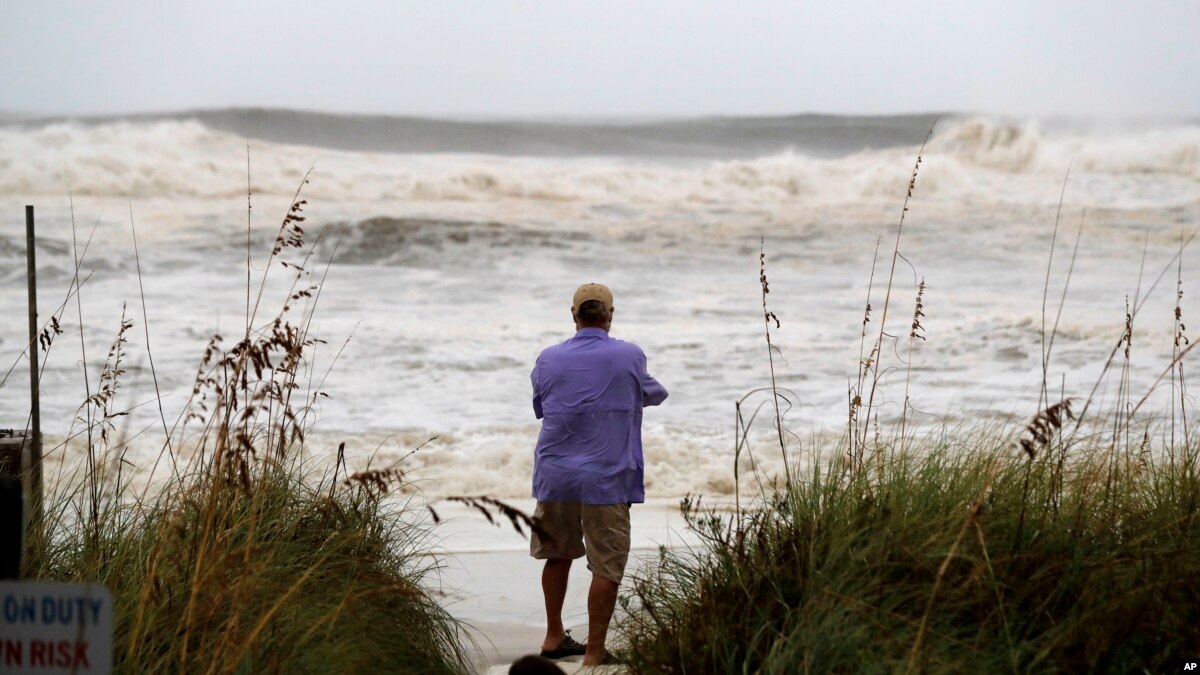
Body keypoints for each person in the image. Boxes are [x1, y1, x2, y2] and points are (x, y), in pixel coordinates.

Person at [528, 283, 668, 666]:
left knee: (557, 555)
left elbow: (541, 405)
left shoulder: (548, 358)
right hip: (607, 476)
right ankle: (593, 653)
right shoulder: (629, 355)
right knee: (606, 563)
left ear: (573, 314)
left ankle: (554, 637)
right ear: (610, 314)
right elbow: (656, 394)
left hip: (556, 474)